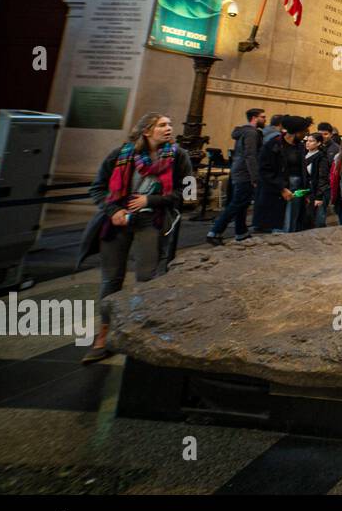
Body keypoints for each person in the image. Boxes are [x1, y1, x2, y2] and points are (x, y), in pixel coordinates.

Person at [80, 112, 193, 363]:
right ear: (146, 131)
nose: (168, 128)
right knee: (111, 279)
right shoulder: (121, 155)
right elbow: (98, 188)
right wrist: (114, 210)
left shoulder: (178, 157)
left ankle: (141, 332)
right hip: (117, 222)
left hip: (151, 221)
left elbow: (187, 191)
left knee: (147, 278)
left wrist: (150, 199)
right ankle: (104, 335)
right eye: (162, 125)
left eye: (169, 124)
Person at [206, 107, 265, 245]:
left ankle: (241, 232)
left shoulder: (244, 132)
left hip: (238, 170)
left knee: (242, 203)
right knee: (238, 202)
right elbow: (250, 155)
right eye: (262, 117)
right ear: (254, 118)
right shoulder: (251, 133)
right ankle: (215, 231)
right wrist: (255, 177)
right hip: (245, 172)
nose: (264, 119)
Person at [254, 115, 311, 233]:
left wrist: (306, 191)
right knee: (281, 224)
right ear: (296, 131)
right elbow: (265, 170)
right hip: (279, 191)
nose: (306, 134)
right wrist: (281, 188)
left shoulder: (300, 146)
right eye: (304, 131)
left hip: (297, 190)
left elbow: (302, 169)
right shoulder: (273, 145)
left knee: (293, 222)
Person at [302, 132, 330, 228]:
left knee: (318, 220)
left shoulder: (321, 157)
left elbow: (323, 177)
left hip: (318, 191)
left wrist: (319, 197)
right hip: (307, 191)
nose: (308, 143)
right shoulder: (304, 154)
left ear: (318, 143)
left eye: (311, 141)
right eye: (307, 141)